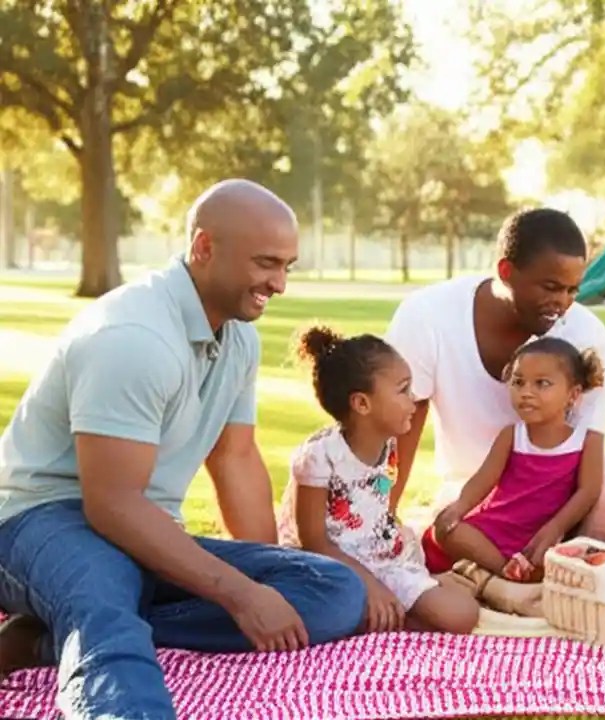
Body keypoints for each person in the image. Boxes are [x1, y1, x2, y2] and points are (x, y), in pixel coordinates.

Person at [0, 180, 367, 719]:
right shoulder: (134, 337)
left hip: (141, 527)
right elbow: (111, 504)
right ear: (203, 247)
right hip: (42, 521)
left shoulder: (240, 336)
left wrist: (265, 579)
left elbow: (235, 458)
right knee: (106, 602)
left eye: (288, 265)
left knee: (331, 589)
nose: (280, 283)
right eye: (267, 263)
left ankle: (42, 640)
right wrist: (240, 595)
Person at [384, 207, 605, 558]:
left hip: (575, 490)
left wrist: (557, 529)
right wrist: (383, 519)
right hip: (479, 491)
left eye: (572, 291)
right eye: (551, 288)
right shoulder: (428, 315)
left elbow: (586, 453)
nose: (563, 303)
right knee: (439, 544)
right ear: (506, 271)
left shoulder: (587, 334)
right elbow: (396, 430)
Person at [277, 326, 480, 635]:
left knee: (463, 612)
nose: (414, 399)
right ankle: (385, 615)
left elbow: (379, 506)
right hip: (335, 566)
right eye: (403, 390)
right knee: (334, 611)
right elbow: (313, 541)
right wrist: (370, 585)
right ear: (362, 404)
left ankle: (388, 614)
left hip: (383, 557)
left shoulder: (390, 445)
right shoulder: (319, 458)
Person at [424, 338, 605, 615]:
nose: (526, 392)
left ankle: (488, 578)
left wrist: (555, 528)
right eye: (519, 382)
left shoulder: (586, 440)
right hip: (491, 531)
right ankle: (504, 574)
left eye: (542, 383)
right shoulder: (513, 435)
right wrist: (459, 507)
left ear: (573, 394)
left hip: (540, 537)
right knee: (445, 529)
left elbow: (588, 491)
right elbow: (483, 480)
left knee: (565, 563)